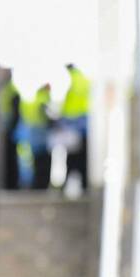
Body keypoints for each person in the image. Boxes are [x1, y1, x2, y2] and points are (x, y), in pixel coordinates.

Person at [60, 64, 91, 193]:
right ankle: (84, 186)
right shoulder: (84, 79)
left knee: (72, 158)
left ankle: (70, 184)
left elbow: (68, 103)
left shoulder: (71, 79)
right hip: (84, 124)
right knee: (82, 157)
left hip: (74, 124)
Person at [17, 84, 52, 190]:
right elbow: (47, 117)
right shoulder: (43, 100)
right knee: (42, 162)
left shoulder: (33, 100)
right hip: (40, 135)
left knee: (35, 162)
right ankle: (41, 185)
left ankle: (35, 184)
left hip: (32, 135)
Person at [0, 68, 21, 191]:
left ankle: (13, 186)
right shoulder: (2, 90)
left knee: (11, 160)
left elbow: (15, 115)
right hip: (4, 132)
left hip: (9, 132)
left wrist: (9, 130)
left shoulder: (11, 91)